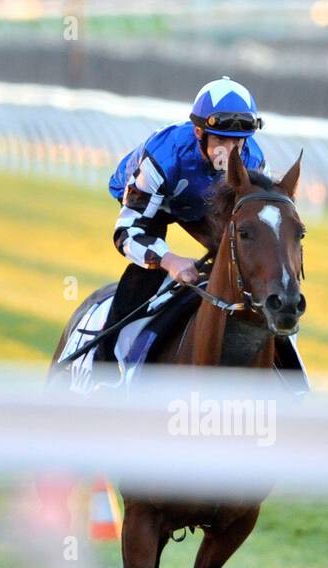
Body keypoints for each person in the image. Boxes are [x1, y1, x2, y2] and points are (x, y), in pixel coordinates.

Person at [96, 77, 267, 362]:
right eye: (221, 139)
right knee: (146, 277)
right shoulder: (163, 158)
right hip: (158, 200)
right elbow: (126, 233)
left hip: (204, 203)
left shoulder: (253, 161)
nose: (231, 152)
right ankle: (105, 360)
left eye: (239, 142)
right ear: (199, 132)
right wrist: (170, 261)